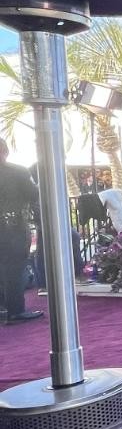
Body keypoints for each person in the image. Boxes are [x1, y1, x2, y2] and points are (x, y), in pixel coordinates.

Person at [0, 138, 43, 325]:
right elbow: (34, 195)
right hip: (12, 227)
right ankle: (15, 310)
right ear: (5, 151)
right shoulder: (17, 171)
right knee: (14, 268)